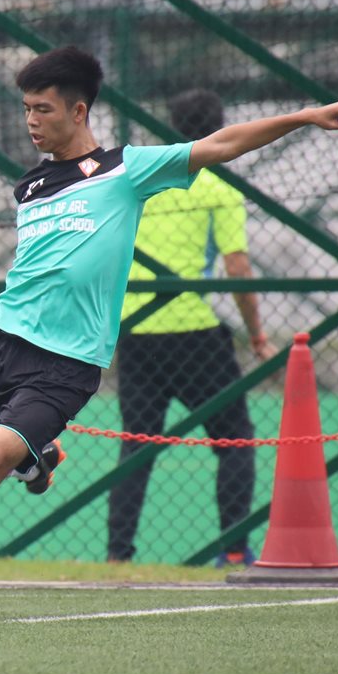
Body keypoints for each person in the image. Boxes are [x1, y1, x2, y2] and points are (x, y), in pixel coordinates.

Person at [0, 46, 338, 623]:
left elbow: (222, 144)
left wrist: (304, 116)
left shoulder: (128, 170)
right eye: (25, 108)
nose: (30, 120)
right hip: (0, 344)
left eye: (43, 109)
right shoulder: (28, 187)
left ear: (79, 112)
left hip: (67, 365)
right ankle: (37, 456)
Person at [107, 88, 275, 568]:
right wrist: (257, 334)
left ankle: (118, 557)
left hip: (135, 332)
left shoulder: (143, 184)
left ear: (168, 124)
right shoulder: (219, 190)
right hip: (196, 333)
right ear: (222, 126)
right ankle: (236, 549)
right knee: (235, 437)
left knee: (136, 446)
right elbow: (238, 269)